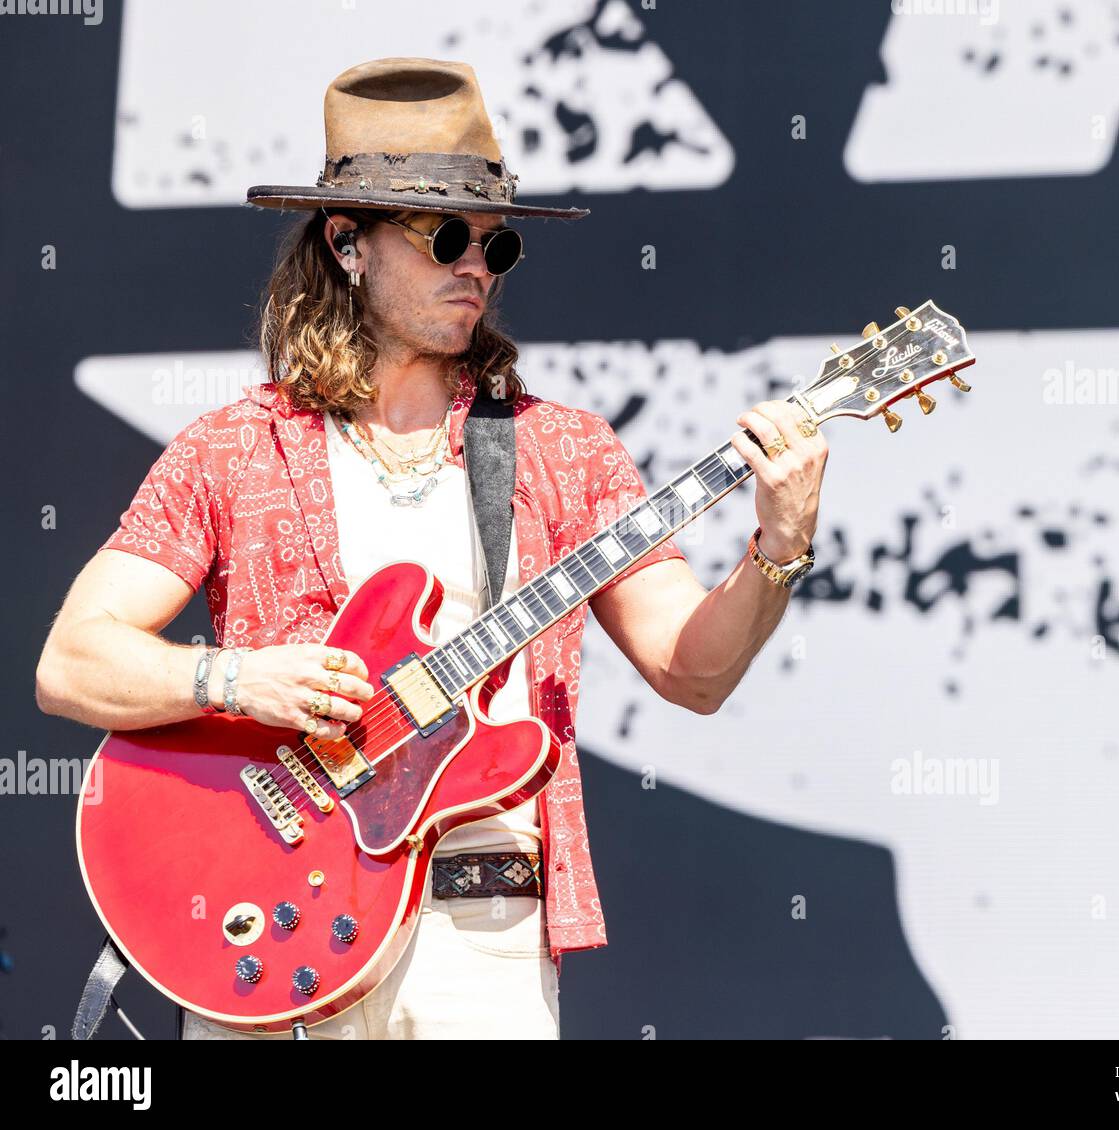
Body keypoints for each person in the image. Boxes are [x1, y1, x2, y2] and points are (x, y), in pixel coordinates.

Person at [35, 58, 827, 1040]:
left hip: (479, 934)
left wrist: (780, 543)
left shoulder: (560, 446)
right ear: (346, 242)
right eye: (447, 237)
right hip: (274, 932)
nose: (477, 269)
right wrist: (238, 679)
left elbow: (692, 669)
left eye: (498, 247)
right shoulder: (235, 446)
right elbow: (71, 660)